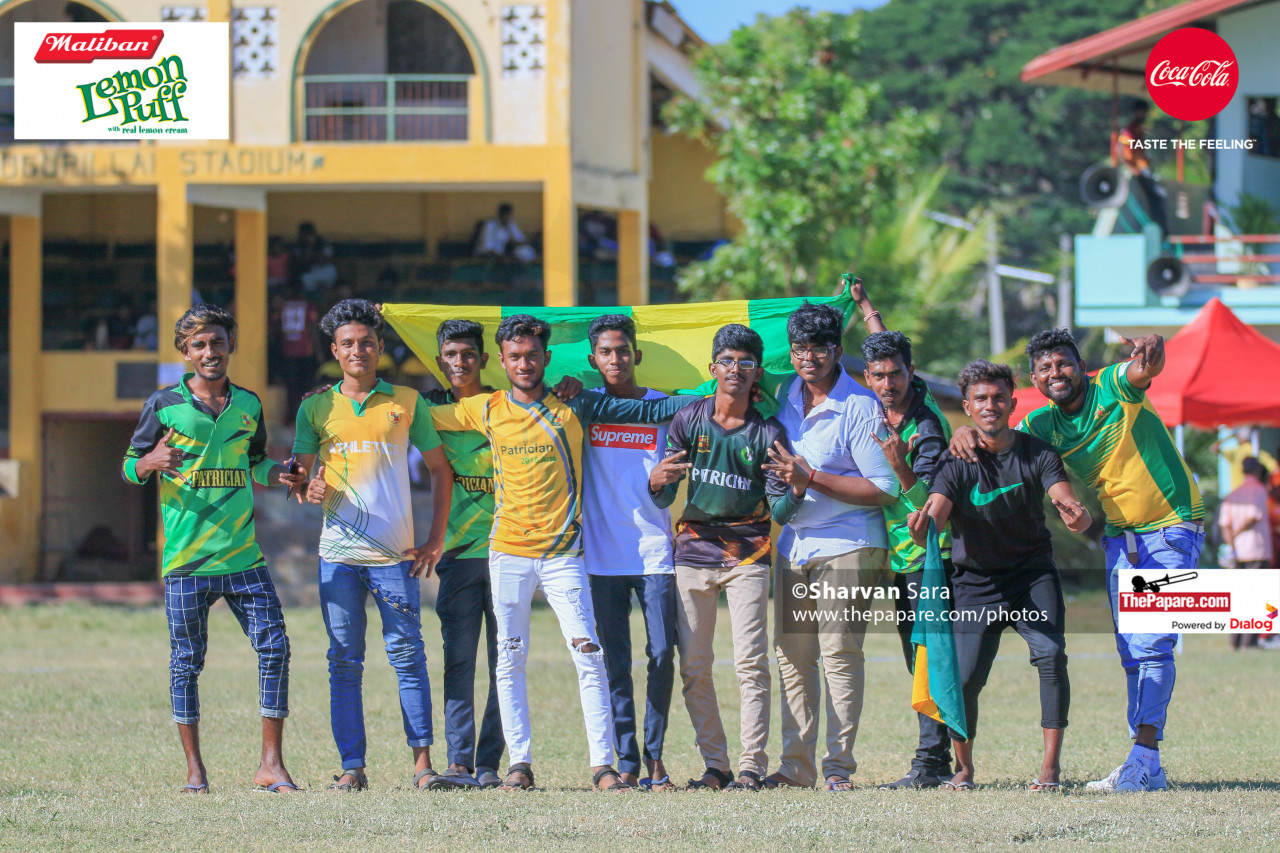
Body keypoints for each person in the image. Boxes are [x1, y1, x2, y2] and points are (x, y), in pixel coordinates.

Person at [428, 314, 699, 792]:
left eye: (533, 355)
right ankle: (520, 765)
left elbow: (650, 413)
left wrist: (716, 397)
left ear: (546, 358)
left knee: (588, 657)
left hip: (565, 556)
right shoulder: (486, 408)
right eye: (515, 356)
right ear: (504, 362)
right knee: (508, 659)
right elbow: (414, 416)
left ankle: (602, 767)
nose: (525, 363)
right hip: (507, 553)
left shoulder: (577, 406)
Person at [952, 328, 1205, 792]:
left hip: (1171, 525)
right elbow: (998, 435)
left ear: (1081, 365)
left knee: (1151, 645)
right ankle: (1147, 764)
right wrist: (965, 430)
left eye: (1063, 363)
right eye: (1045, 368)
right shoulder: (1043, 425)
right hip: (1120, 539)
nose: (1055, 373)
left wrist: (1151, 348)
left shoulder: (1113, 384)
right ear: (1035, 377)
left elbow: (1144, 368)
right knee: (1133, 652)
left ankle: (1144, 759)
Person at [122, 303, 304, 794]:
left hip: (243, 557)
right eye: (199, 344)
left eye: (217, 342)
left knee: (276, 649)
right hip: (186, 563)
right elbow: (128, 465)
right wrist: (150, 460)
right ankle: (195, 772)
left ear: (230, 347)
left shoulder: (248, 404)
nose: (209, 352)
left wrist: (282, 474)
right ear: (185, 352)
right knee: (186, 662)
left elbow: (258, 462)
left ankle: (271, 765)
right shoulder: (163, 405)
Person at [291, 299, 453, 792]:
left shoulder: (407, 400)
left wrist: (434, 539)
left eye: (366, 342)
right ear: (334, 352)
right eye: (347, 344)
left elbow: (440, 470)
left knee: (408, 654)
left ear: (380, 347)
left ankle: (423, 765)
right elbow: (297, 478)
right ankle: (352, 767)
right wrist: (306, 487)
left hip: (394, 557)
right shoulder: (315, 406)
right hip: (337, 558)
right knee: (344, 660)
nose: (357, 350)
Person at [911, 359, 1091, 792]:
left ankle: (1050, 770)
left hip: (1031, 577)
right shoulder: (956, 463)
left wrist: (1076, 514)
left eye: (997, 397)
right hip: (974, 584)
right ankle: (965, 769)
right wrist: (924, 526)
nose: (990, 405)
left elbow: (1066, 501)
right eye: (980, 399)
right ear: (968, 408)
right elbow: (933, 517)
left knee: (1050, 655)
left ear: (1012, 401)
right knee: (966, 679)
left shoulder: (1037, 453)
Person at [649, 324, 803, 792]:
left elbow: (778, 509)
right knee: (694, 665)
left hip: (748, 555)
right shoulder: (688, 420)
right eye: (728, 361)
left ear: (757, 374)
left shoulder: (768, 432)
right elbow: (664, 497)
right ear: (713, 367)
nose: (736, 370)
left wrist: (796, 489)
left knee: (751, 663)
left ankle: (751, 766)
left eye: (747, 363)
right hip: (693, 553)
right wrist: (656, 482)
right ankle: (716, 766)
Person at [759, 303, 898, 792]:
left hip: (850, 543)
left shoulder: (859, 405)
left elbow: (885, 488)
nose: (808, 358)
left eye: (818, 348)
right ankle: (797, 766)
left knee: (839, 652)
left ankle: (839, 768)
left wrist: (811, 477)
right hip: (794, 544)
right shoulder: (783, 395)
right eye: (799, 349)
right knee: (793, 656)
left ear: (838, 351)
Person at [851, 279, 958, 790]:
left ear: (911, 374)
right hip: (897, 560)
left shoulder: (926, 428)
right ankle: (939, 760)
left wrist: (901, 467)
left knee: (927, 661)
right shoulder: (878, 403)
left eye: (896, 374)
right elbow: (884, 339)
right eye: (879, 374)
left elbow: (929, 508)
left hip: (927, 559)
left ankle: (931, 764)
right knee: (915, 658)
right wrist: (866, 306)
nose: (888, 383)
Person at [582, 315, 679, 791]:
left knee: (662, 654)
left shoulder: (668, 408)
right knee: (614, 663)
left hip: (655, 551)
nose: (616, 359)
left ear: (636, 355)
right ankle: (627, 760)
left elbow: (669, 488)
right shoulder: (582, 406)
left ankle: (655, 754)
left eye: (623, 350)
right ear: (592, 359)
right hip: (601, 557)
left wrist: (661, 485)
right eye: (606, 352)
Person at [419, 319, 505, 790]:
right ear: (439, 361)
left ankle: (491, 761)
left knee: (503, 662)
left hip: (508, 552)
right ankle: (458, 761)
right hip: (456, 554)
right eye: (450, 354)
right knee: (458, 660)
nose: (459, 362)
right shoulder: (427, 406)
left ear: (483, 360)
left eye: (467, 354)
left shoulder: (505, 403)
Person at [1218, 457, 1274, 650]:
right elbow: (1252, 516)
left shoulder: (1232, 494)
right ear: (1258, 471)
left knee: (1239, 597)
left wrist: (1231, 542)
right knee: (1255, 596)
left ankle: (1235, 641)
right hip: (1256, 550)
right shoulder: (1258, 490)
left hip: (1237, 552)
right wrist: (1237, 533)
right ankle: (1249, 642)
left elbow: (1224, 524)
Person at [1117, 100, 1170, 241]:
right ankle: (1161, 232)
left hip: (1143, 169)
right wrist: (1132, 168)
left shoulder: (1138, 128)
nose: (1144, 115)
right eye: (1142, 111)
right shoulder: (1130, 128)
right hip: (1140, 171)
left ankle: (1160, 232)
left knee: (1157, 199)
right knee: (1158, 198)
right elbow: (1121, 150)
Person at [276, 285, 322, 421]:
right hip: (305, 351)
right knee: (307, 386)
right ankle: (306, 416)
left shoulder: (282, 306)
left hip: (288, 352)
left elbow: (277, 329)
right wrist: (319, 352)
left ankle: (292, 416)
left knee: (291, 387)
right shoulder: (309, 306)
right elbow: (313, 329)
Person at [293, 221, 337, 292]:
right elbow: (303, 262)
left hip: (324, 270)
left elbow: (327, 259)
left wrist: (314, 248)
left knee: (331, 271)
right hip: (309, 272)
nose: (306, 237)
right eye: (304, 234)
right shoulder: (298, 246)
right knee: (304, 279)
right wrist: (309, 246)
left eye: (308, 234)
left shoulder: (323, 242)